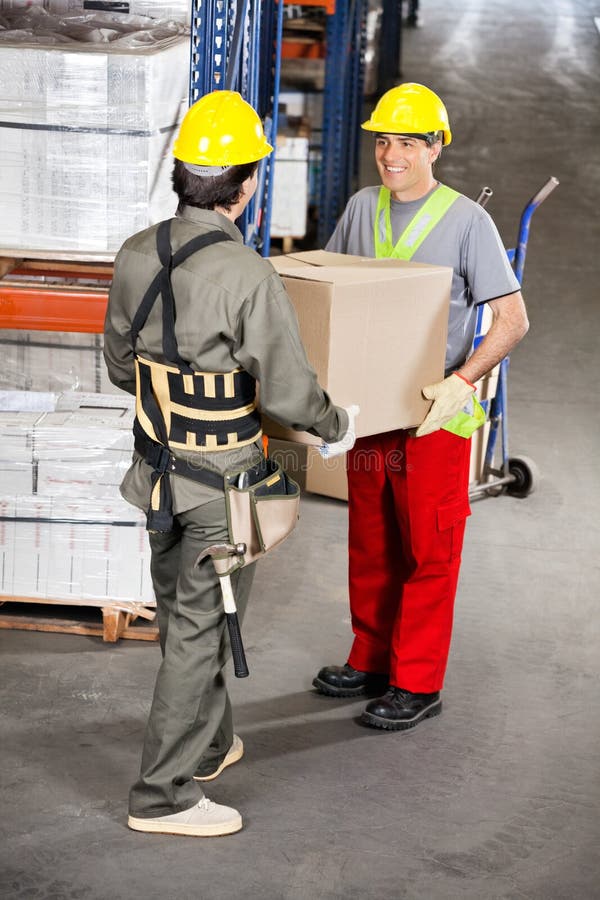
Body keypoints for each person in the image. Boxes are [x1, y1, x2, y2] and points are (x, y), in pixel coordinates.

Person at [104, 90, 354, 837]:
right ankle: (162, 796)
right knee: (197, 628)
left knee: (188, 617)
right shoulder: (248, 275)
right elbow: (288, 391)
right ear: (245, 186)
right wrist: (337, 425)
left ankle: (209, 746)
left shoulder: (135, 254)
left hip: (155, 478)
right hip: (222, 489)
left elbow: (122, 365)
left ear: (182, 175)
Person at [313, 83, 529, 731]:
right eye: (383, 140)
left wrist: (463, 381)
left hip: (438, 416)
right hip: (373, 411)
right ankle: (370, 659)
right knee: (371, 541)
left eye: (408, 141)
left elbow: (512, 321)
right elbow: (335, 291)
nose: (392, 154)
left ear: (436, 147)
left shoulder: (468, 222)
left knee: (429, 551)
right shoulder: (360, 208)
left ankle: (417, 681)